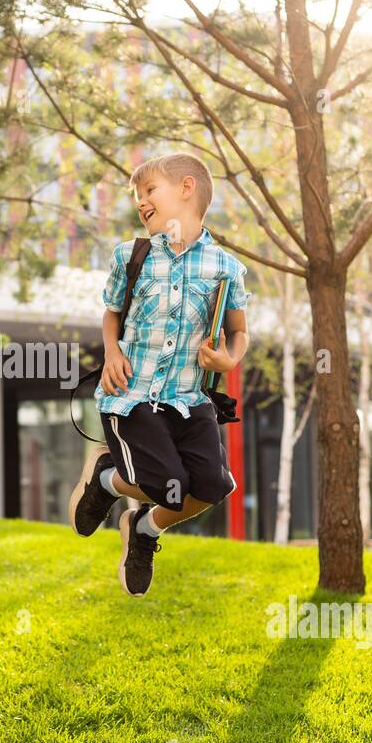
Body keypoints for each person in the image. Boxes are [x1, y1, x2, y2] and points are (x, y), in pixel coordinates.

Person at [67, 153, 251, 596]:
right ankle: (107, 479)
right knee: (166, 485)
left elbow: (238, 330)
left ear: (187, 188)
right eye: (137, 196)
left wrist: (229, 359)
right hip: (130, 395)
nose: (141, 203)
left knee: (210, 486)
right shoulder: (132, 256)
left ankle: (144, 530)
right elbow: (112, 315)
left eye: (149, 191)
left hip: (188, 400)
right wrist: (111, 352)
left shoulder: (225, 267)